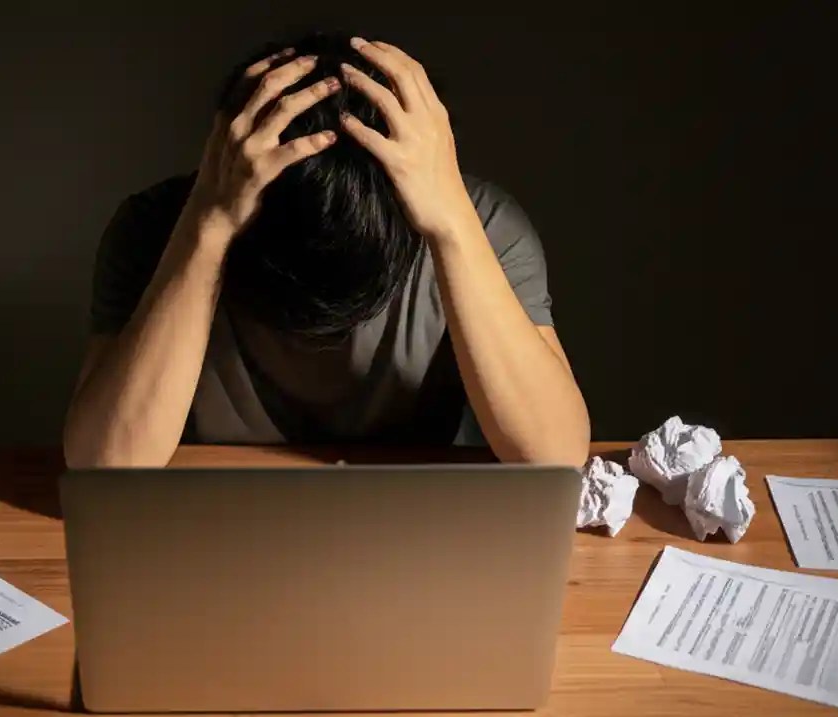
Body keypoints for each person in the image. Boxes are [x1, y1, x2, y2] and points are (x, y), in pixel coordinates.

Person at [63, 32, 589, 468]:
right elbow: (107, 467)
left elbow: (555, 457)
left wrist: (452, 225)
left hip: (410, 534)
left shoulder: (483, 225)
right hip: (220, 531)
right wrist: (209, 226)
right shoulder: (157, 228)